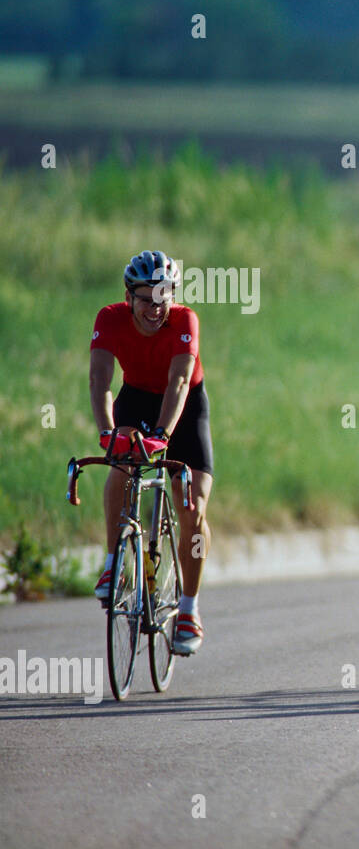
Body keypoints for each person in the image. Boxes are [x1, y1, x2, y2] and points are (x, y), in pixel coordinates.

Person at [90, 250, 214, 655]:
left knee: (191, 505)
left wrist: (163, 434)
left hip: (185, 407)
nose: (156, 307)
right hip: (137, 400)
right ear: (128, 297)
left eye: (164, 296)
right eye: (146, 298)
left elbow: (179, 383)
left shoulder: (184, 321)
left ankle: (189, 609)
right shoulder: (109, 319)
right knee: (122, 465)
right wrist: (107, 433)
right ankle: (112, 567)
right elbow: (100, 380)